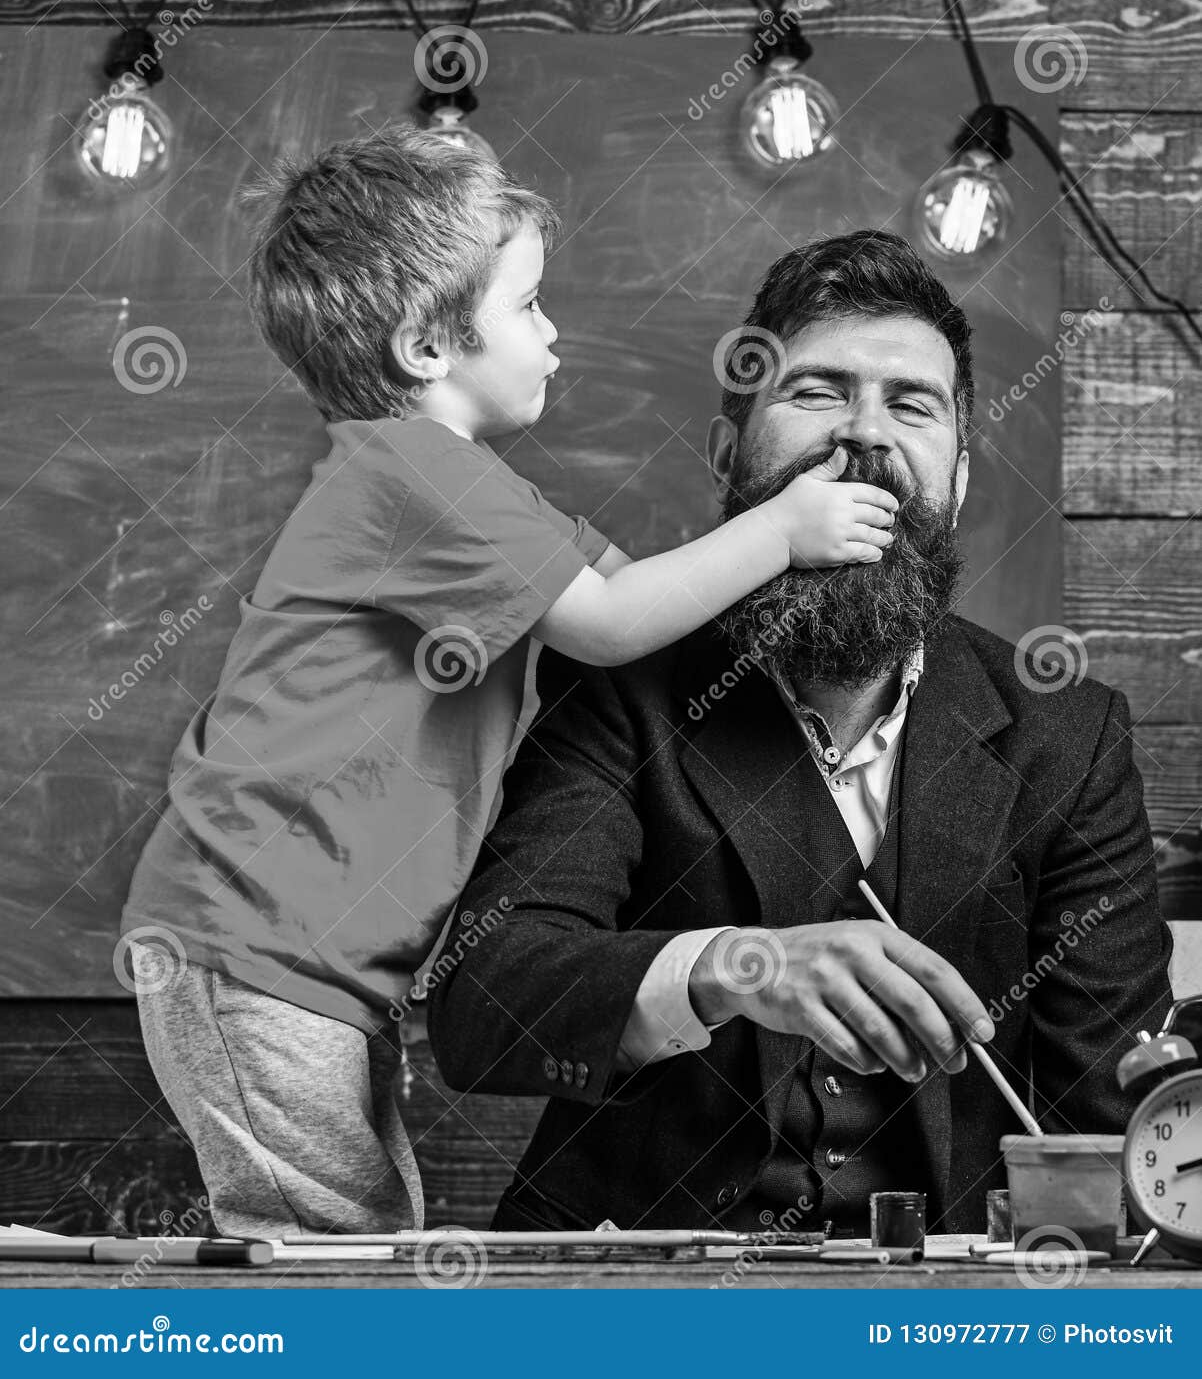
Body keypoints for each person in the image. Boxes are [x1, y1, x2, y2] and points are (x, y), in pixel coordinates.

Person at [118, 127, 900, 1239]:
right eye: (528, 304)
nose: (552, 332)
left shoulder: (462, 486)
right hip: (250, 939)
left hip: (300, 955)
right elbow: (615, 624)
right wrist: (782, 526)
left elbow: (634, 595)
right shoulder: (412, 473)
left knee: (359, 1229)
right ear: (428, 344)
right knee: (327, 1246)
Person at [427, 228, 1175, 1237]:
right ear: (727, 457)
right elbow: (484, 1003)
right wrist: (732, 967)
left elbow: (1118, 1109)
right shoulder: (622, 683)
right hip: (636, 1285)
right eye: (816, 392)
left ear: (955, 486)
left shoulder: (1068, 736)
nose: (863, 435)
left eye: (910, 404)